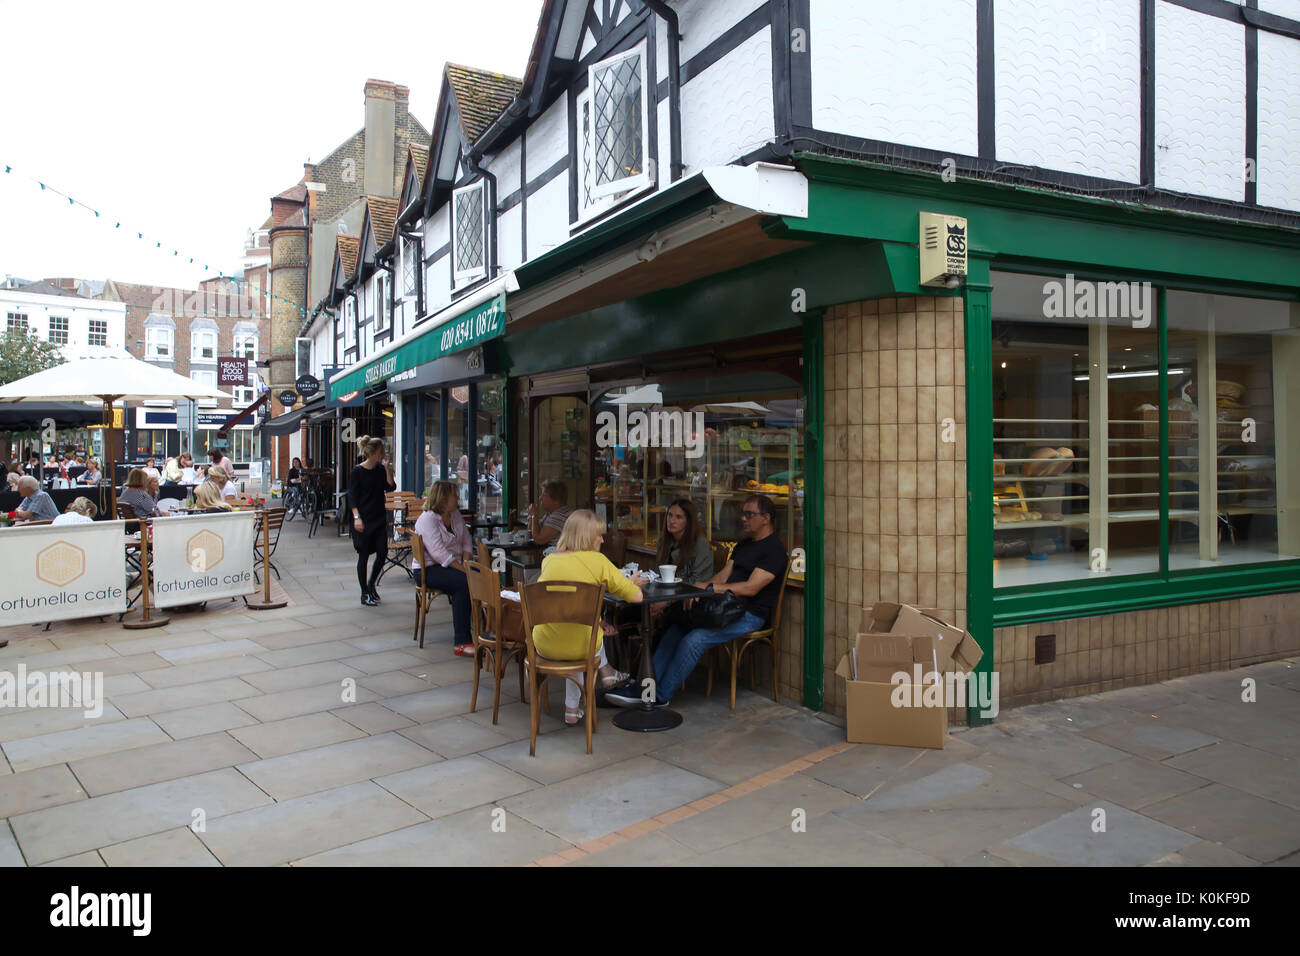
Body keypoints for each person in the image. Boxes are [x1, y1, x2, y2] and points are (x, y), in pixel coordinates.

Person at [606, 494, 787, 708]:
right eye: (744, 514)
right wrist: (698, 591)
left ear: (766, 518)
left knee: (695, 640)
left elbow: (751, 588)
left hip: (751, 615)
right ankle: (644, 690)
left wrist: (709, 589)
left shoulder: (775, 551)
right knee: (675, 628)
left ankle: (659, 697)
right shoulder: (744, 545)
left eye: (749, 514)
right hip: (725, 607)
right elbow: (722, 577)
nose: (744, 519)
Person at [531, 510, 642, 725]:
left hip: (544, 644)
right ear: (587, 536)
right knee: (584, 637)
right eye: (598, 535)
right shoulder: (598, 561)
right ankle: (607, 673)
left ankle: (572, 708)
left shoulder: (549, 560)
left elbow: (564, 606)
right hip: (581, 646)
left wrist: (597, 622)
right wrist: (633, 582)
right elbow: (636, 597)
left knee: (579, 631)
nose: (602, 539)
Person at [411, 480, 475, 655]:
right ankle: (462, 642)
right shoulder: (428, 519)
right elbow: (438, 553)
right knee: (464, 583)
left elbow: (467, 542)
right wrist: (465, 571)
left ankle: (491, 631)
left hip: (453, 566)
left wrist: (467, 564)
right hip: (428, 569)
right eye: (454, 495)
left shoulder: (455, 515)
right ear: (443, 498)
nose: (457, 498)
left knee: (485, 577)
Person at [348, 435, 396, 607]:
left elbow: (391, 487)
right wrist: (356, 517)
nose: (384, 454)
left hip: (379, 518)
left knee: (382, 553)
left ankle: (371, 584)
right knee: (364, 556)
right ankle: (364, 593)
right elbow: (352, 496)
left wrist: (387, 467)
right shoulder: (357, 471)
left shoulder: (380, 470)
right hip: (363, 519)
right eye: (382, 452)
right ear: (374, 453)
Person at [655, 498, 716, 586]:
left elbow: (698, 581)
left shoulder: (700, 545)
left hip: (692, 594)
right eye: (670, 515)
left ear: (688, 521)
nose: (672, 521)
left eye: (678, 517)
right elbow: (659, 574)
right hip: (667, 592)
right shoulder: (663, 541)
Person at [527, 480, 573, 548]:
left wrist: (534, 515)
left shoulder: (560, 515)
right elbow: (531, 533)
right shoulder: (551, 513)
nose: (540, 498)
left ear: (556, 500)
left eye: (544, 495)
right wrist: (532, 516)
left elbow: (538, 540)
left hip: (561, 556)